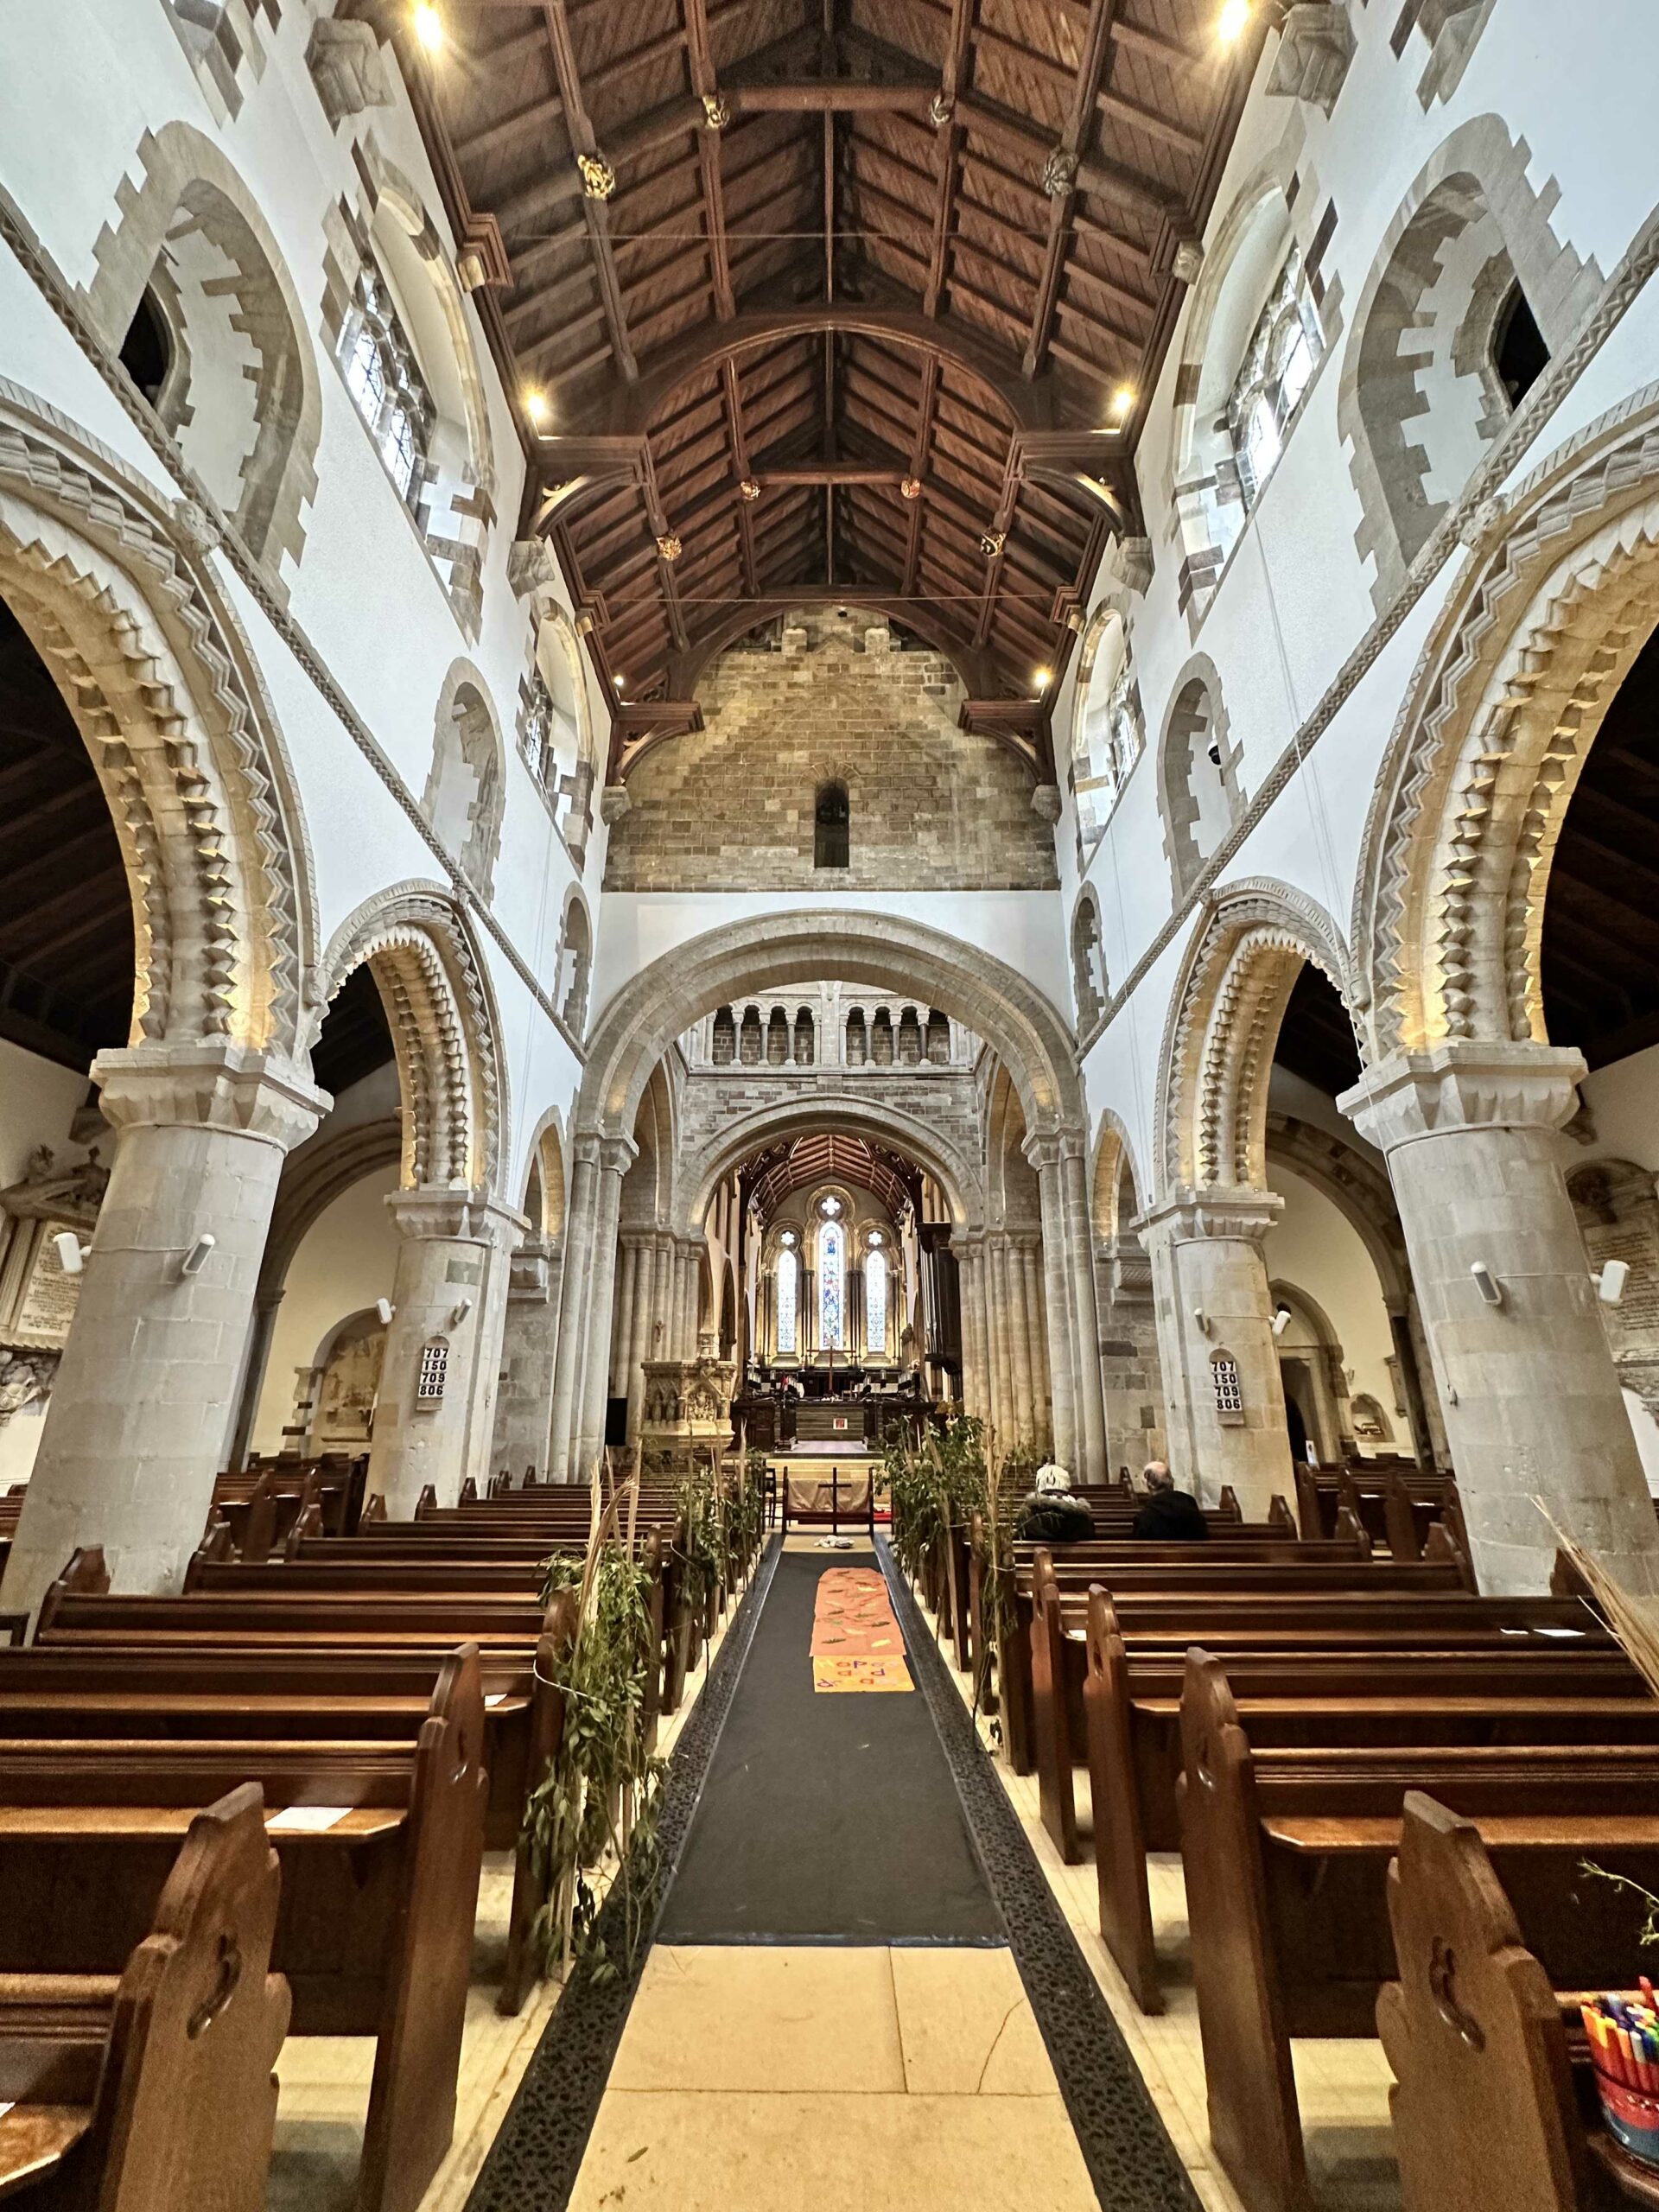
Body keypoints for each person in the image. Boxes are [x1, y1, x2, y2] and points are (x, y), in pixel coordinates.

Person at [1130, 1461, 1209, 1542]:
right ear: (1171, 1481)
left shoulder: (1145, 1516)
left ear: (1149, 1485)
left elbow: (1140, 1548)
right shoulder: (1190, 1503)